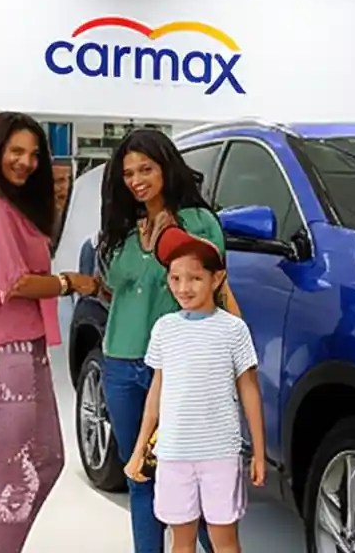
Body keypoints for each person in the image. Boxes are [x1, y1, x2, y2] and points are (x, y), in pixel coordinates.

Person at [0, 111, 97, 551]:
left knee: (32, 462)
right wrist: (72, 282)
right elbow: (12, 282)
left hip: (12, 350)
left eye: (34, 154)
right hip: (0, 353)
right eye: (16, 151)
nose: (27, 162)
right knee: (3, 473)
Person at [96, 128, 241, 553]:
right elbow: (111, 284)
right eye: (128, 173)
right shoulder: (121, 227)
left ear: (165, 167)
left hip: (180, 369)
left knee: (193, 479)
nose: (137, 179)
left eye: (146, 169)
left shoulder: (199, 222)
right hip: (121, 362)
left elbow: (214, 289)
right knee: (139, 475)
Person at [124, 227, 266, 553]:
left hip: (221, 454)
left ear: (217, 279)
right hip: (173, 454)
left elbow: (249, 391)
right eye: (175, 279)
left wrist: (258, 452)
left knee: (225, 541)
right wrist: (139, 450)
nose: (183, 288)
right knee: (181, 541)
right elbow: (156, 393)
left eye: (194, 278)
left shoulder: (233, 329)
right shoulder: (165, 329)